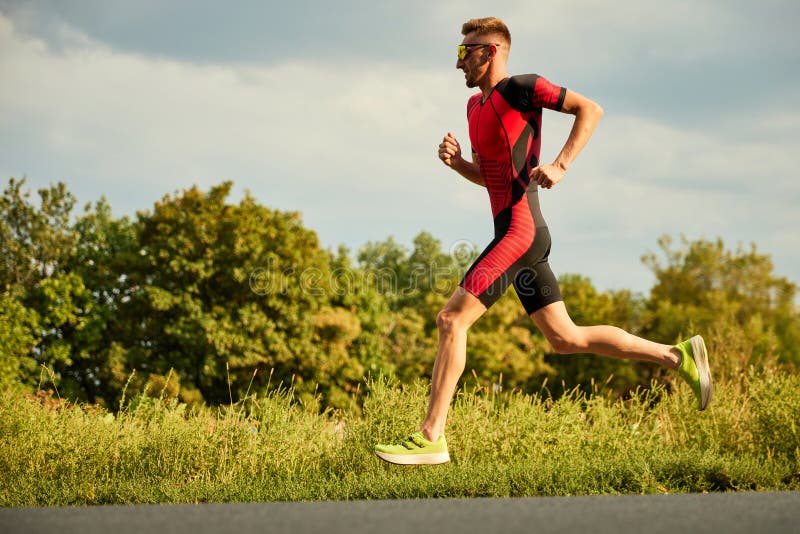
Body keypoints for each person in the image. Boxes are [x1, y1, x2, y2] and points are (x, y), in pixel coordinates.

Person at [374, 17, 712, 465]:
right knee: (565, 338)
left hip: (521, 231)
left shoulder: (522, 88)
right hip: (516, 235)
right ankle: (676, 356)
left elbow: (590, 109)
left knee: (451, 319)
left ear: (490, 51)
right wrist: (458, 166)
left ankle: (431, 435)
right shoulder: (474, 109)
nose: (458, 63)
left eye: (464, 52)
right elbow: (493, 178)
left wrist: (560, 165)